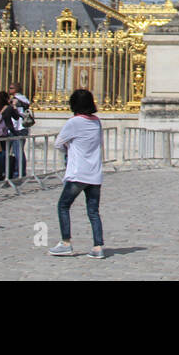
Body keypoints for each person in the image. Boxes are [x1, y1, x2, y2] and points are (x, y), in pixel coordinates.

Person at [49, 89, 105, 259]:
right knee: (93, 211)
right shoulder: (97, 122)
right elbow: (99, 144)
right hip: (94, 173)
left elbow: (59, 143)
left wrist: (69, 150)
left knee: (63, 206)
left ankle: (66, 243)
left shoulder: (74, 122)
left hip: (78, 172)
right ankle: (98, 246)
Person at [0, 92, 21, 181]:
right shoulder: (8, 108)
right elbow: (16, 117)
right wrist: (14, 106)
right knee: (4, 152)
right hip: (5, 131)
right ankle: (3, 171)